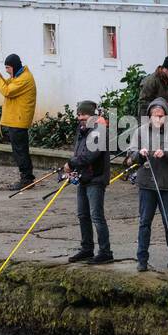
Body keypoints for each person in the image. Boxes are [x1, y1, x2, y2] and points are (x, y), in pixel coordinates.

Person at [127, 98, 168, 272]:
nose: (158, 119)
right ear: (149, 116)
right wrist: (140, 154)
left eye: (161, 116)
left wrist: (166, 153)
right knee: (144, 222)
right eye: (155, 116)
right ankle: (142, 259)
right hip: (147, 183)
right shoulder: (140, 131)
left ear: (166, 116)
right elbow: (130, 157)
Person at [65, 101, 112, 265]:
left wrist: (71, 163)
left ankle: (105, 251)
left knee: (96, 216)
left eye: (83, 114)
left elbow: (91, 155)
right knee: (82, 214)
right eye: (78, 115)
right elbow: (79, 150)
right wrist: (74, 167)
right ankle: (87, 248)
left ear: (92, 115)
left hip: (96, 178)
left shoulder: (100, 131)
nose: (80, 118)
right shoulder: (82, 130)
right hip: (83, 177)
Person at [0, 53, 37, 190]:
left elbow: (7, 91)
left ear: (15, 66)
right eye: (5, 67)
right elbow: (7, 86)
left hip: (19, 120)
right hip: (15, 120)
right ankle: (26, 177)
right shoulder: (18, 77)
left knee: (20, 150)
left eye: (8, 67)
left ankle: (27, 178)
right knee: (19, 150)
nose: (7, 70)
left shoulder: (24, 79)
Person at [137, 56, 168, 123]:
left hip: (166, 120)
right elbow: (143, 103)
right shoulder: (151, 81)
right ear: (166, 68)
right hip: (150, 120)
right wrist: (162, 106)